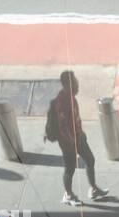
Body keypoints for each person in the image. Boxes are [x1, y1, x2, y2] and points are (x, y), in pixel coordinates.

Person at [45, 70, 109, 206]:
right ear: (68, 85)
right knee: (70, 168)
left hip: (78, 137)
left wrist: (80, 133)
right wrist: (73, 141)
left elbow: (74, 119)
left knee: (90, 160)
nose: (77, 85)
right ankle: (68, 195)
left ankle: (93, 188)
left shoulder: (71, 97)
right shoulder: (62, 102)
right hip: (68, 142)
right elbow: (63, 127)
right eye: (75, 82)